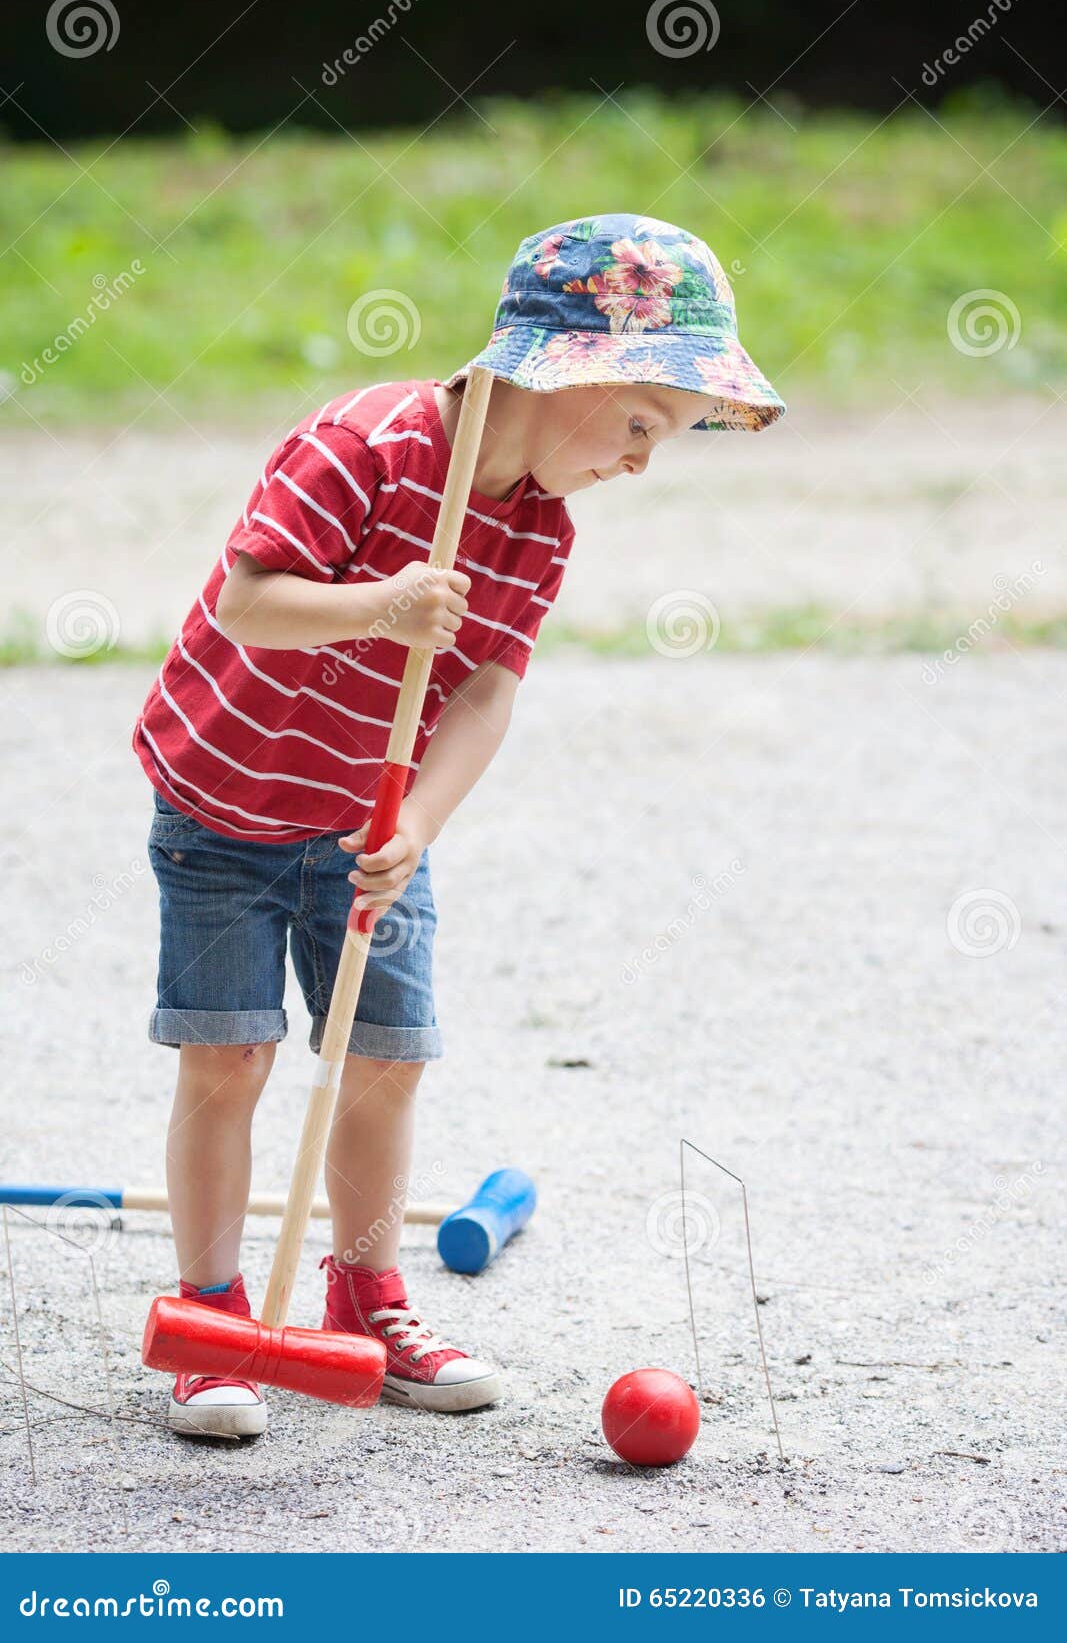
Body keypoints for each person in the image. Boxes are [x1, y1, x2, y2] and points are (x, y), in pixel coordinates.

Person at [133, 211, 785, 1438]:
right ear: (559, 370)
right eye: (640, 423)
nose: (644, 461)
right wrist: (386, 602)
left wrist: (417, 821)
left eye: (669, 439)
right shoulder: (365, 445)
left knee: (383, 1061)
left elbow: (486, 691)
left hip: (372, 828)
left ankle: (364, 1295)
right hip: (225, 803)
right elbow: (250, 603)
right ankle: (210, 1313)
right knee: (229, 1059)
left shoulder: (541, 526)